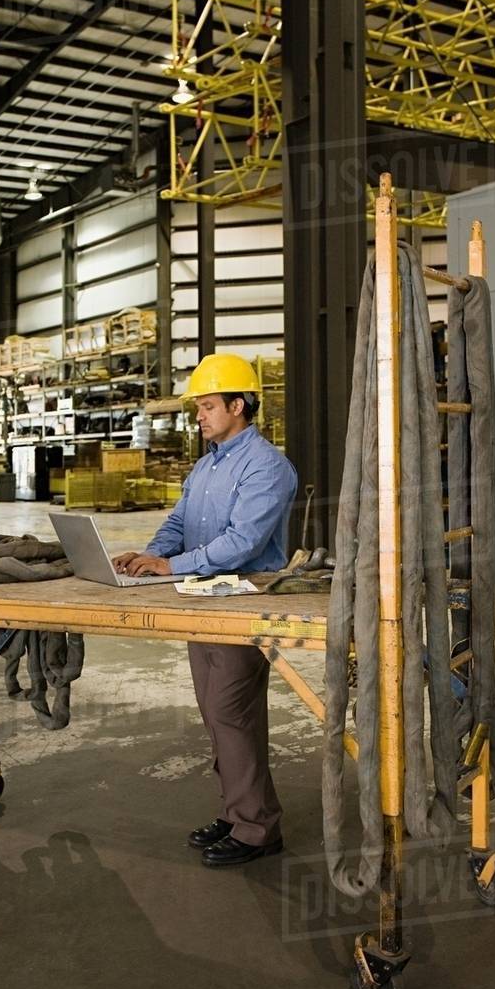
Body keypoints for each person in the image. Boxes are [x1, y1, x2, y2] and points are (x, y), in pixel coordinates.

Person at [113, 354, 298, 868]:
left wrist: (169, 565)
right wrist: (149, 558)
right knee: (215, 713)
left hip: (241, 602)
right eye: (198, 405)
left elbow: (241, 544)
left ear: (238, 406)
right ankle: (238, 811)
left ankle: (258, 829)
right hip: (198, 596)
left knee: (231, 712)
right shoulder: (205, 464)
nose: (199, 414)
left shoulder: (267, 466)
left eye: (208, 405)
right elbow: (179, 522)